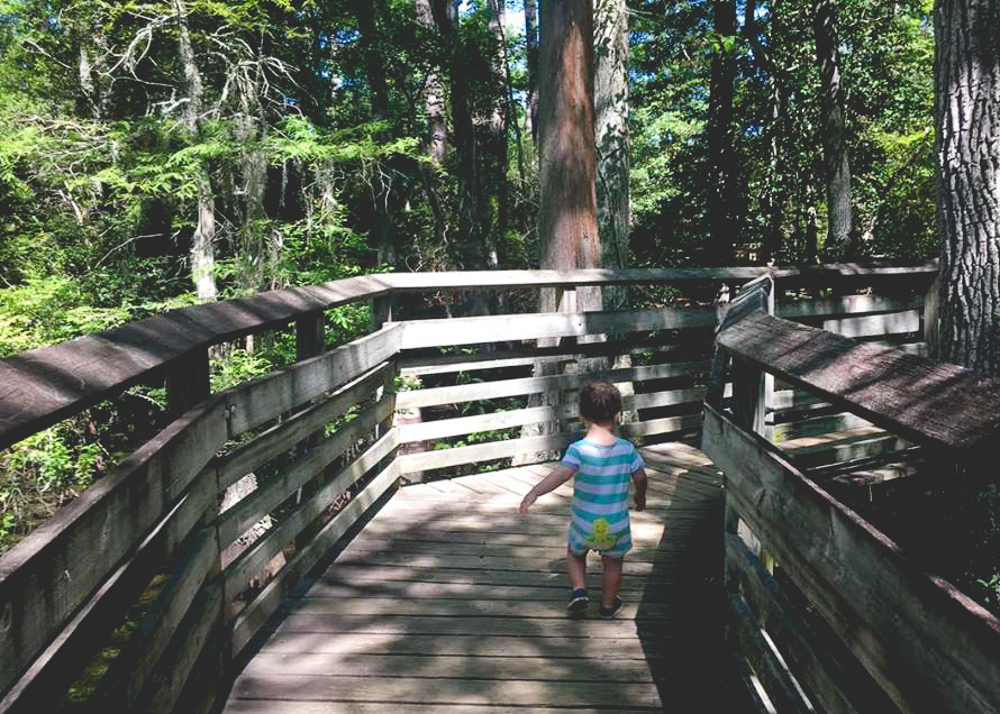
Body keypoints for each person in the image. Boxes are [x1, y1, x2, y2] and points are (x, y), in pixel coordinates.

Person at [519, 381, 648, 618]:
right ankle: (608, 605)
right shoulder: (627, 449)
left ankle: (579, 589)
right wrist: (640, 498)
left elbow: (560, 475)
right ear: (619, 415)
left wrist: (535, 492)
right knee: (613, 563)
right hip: (616, 523)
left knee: (575, 554)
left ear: (581, 415)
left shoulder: (578, 449)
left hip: (584, 523)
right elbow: (640, 477)